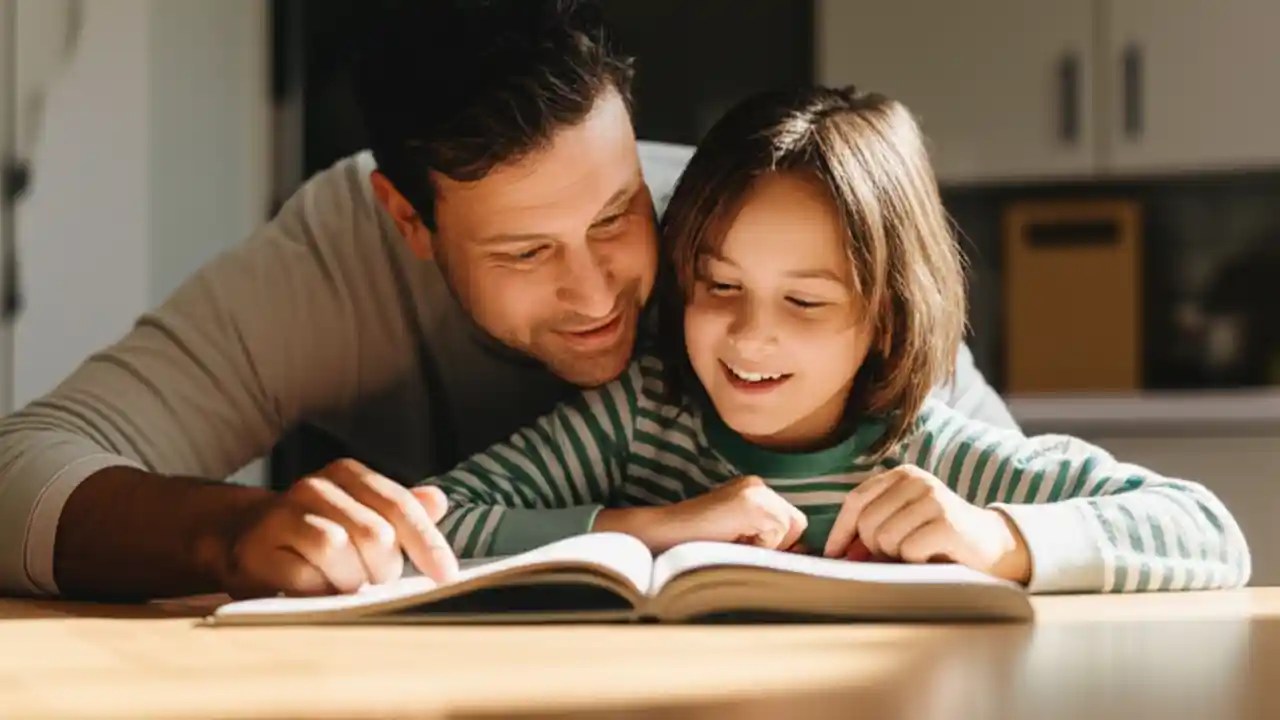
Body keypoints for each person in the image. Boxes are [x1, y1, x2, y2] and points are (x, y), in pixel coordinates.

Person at [0, 1, 1014, 600]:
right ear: (408, 220)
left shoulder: (737, 243)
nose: (598, 290)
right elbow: (19, 472)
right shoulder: (336, 256)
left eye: (618, 215)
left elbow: (983, 489)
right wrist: (228, 534)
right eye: (526, 250)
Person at [427, 86, 1250, 592]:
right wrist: (657, 526)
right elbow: (436, 524)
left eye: (806, 302)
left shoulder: (924, 448)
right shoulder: (644, 414)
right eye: (720, 287)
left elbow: (1207, 530)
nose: (751, 336)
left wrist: (998, 540)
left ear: (885, 317)